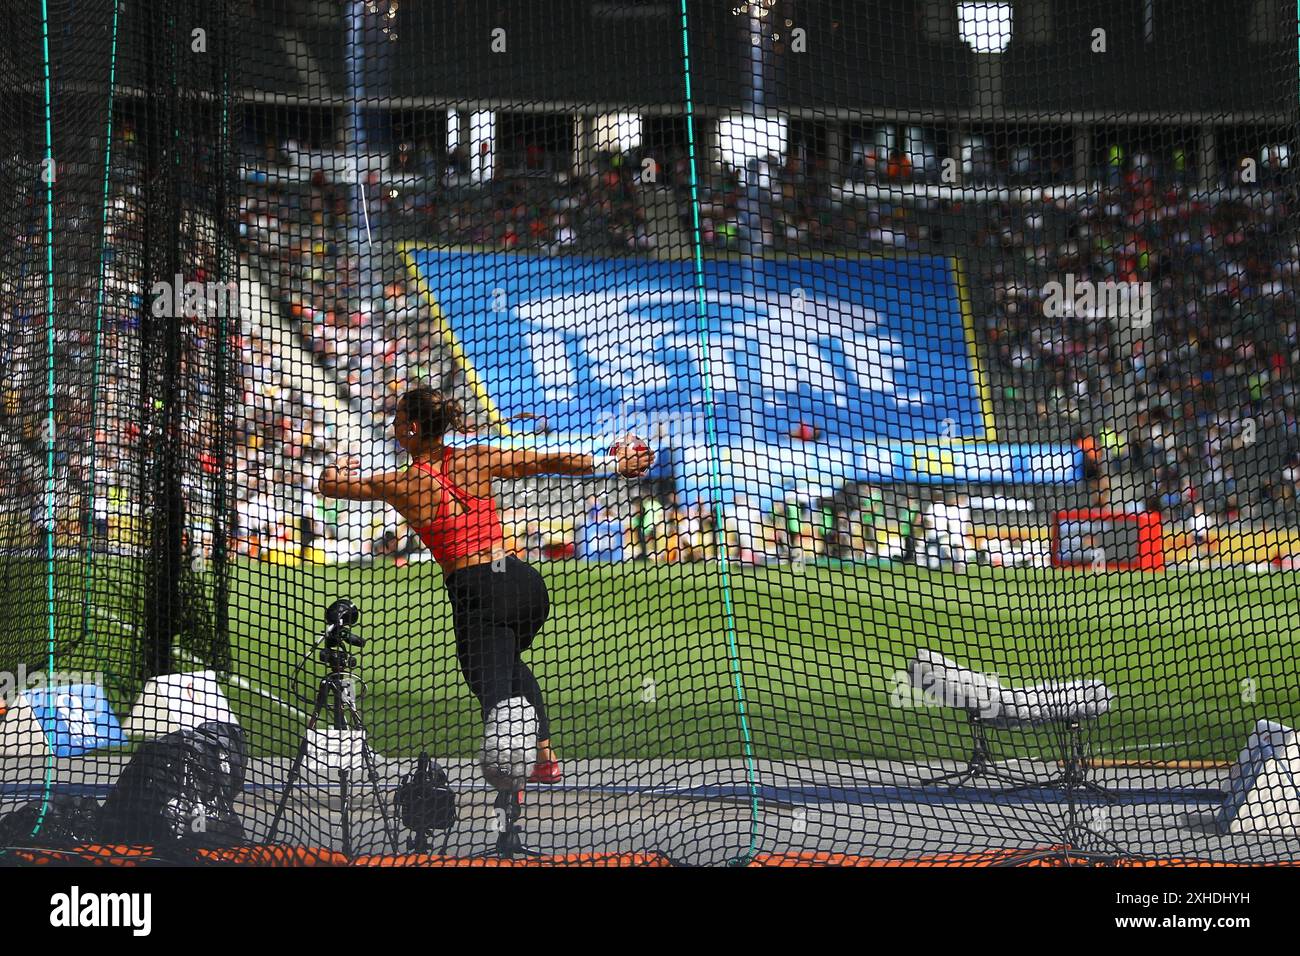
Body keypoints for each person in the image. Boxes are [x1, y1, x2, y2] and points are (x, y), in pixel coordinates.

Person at [318, 387, 653, 791]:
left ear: (411, 428)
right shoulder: (476, 457)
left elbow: (332, 487)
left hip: (477, 592)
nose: (391, 425)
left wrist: (336, 465)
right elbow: (549, 460)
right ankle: (545, 761)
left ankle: (511, 807)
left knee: (491, 691)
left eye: (397, 418)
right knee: (508, 662)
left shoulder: (400, 484)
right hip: (523, 583)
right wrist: (611, 463)